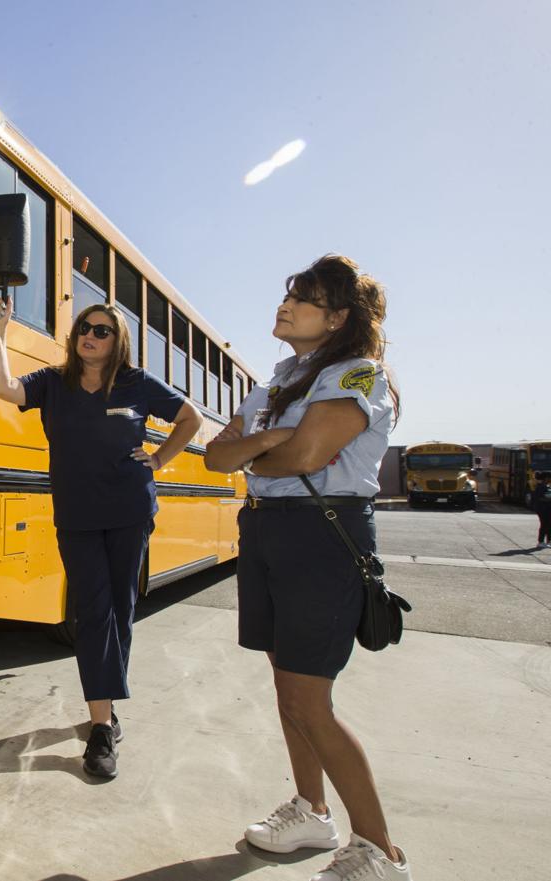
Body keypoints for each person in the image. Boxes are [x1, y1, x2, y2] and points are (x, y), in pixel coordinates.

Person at [204, 255, 412, 880]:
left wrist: (263, 447)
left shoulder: (357, 374)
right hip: (267, 531)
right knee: (285, 686)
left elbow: (310, 452)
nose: (286, 304)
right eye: (290, 293)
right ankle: (312, 812)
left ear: (339, 318)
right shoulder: (273, 384)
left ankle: (379, 851)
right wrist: (270, 446)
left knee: (307, 696)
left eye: (306, 298)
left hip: (324, 535)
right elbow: (216, 456)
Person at [0, 297, 201, 778]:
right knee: (95, 611)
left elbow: (190, 419)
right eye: (85, 327)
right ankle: (101, 726)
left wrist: (161, 459)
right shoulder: (53, 383)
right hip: (78, 516)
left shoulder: (137, 383)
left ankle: (106, 709)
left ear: (117, 340)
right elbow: (3, 386)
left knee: (121, 610)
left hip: (129, 511)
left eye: (102, 330)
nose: (91, 335)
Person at [534, 472, 551, 548]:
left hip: (547, 509)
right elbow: (539, 498)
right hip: (543, 509)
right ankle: (540, 541)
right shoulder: (541, 486)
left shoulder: (546, 486)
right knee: (544, 525)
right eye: (549, 477)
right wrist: (548, 499)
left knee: (549, 525)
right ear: (545, 478)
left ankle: (549, 541)